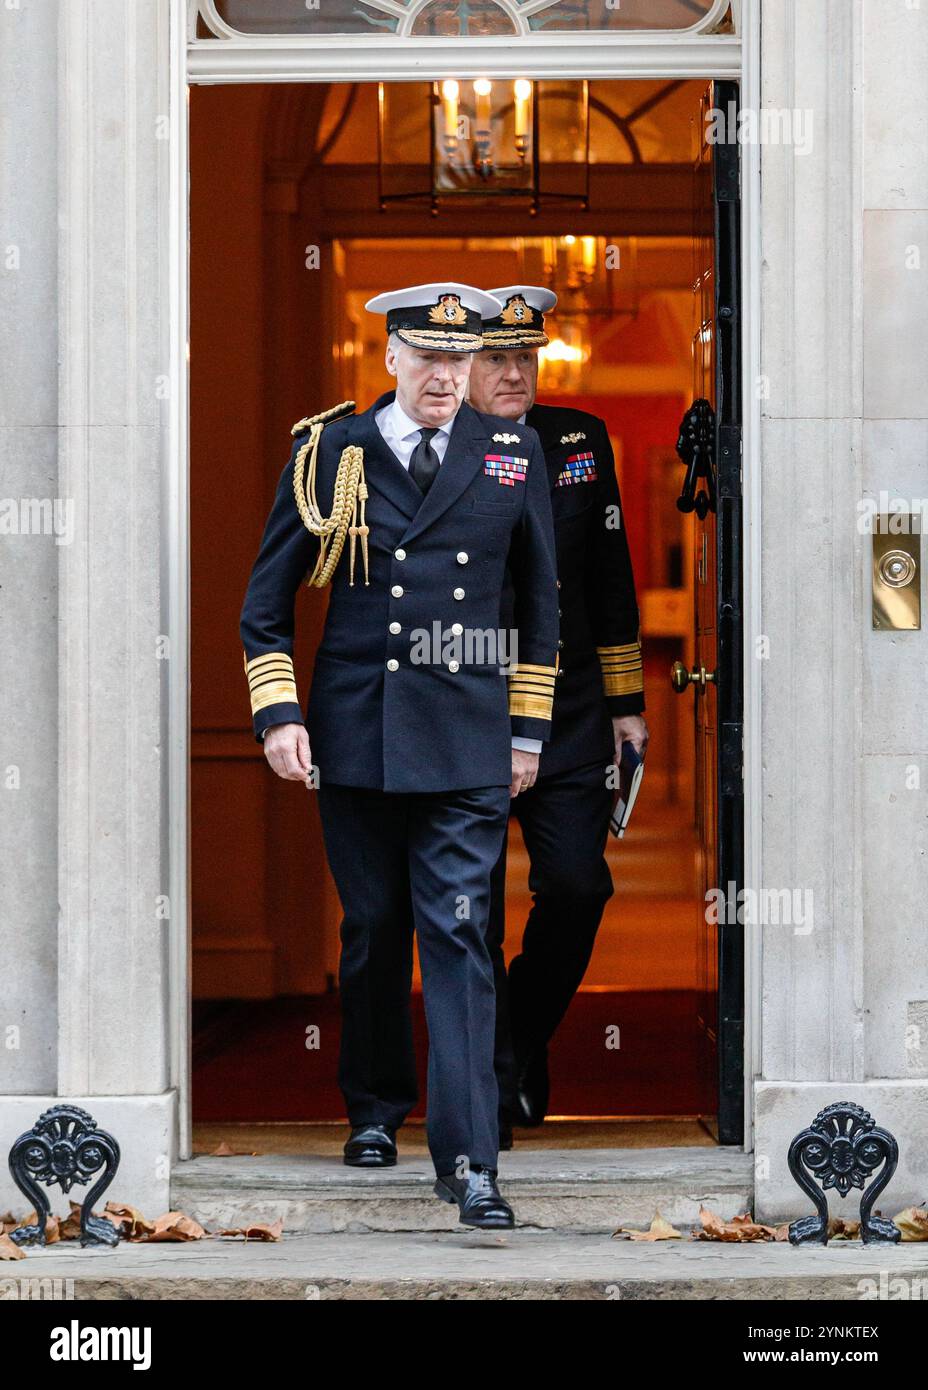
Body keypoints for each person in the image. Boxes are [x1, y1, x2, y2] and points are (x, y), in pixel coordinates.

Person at [239, 283, 559, 1228]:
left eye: (458, 363)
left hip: (466, 737)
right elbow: (265, 603)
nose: (446, 380)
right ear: (388, 360)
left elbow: (539, 604)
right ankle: (374, 1106)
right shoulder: (331, 450)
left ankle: (472, 1165)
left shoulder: (510, 449)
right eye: (427, 360)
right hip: (359, 730)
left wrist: (527, 733)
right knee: (375, 925)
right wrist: (279, 716)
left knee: (459, 938)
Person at [468, 285, 649, 1146]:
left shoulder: (577, 440)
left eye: (525, 358)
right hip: (464, 703)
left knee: (579, 885)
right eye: (496, 360)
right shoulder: (432, 445)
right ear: (457, 368)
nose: (515, 374)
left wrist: (628, 705)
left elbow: (609, 573)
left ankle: (516, 1035)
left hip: (572, 707)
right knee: (468, 903)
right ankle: (488, 1083)